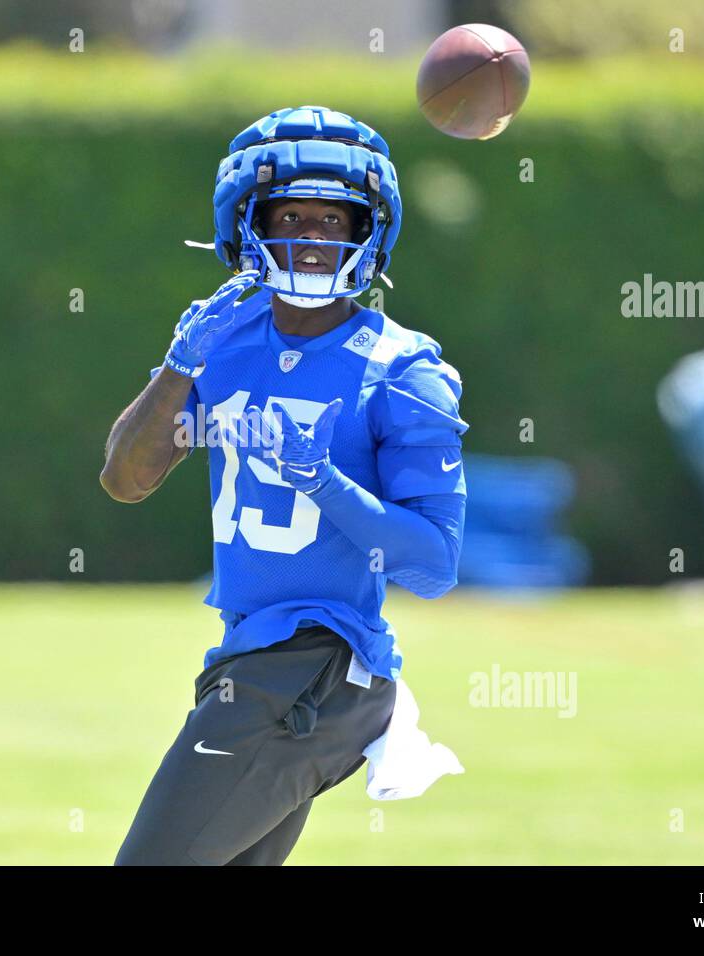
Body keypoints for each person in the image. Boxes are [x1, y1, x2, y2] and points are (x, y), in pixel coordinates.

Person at [101, 106, 467, 865]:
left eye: (333, 219)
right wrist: (178, 365)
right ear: (248, 227)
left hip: (315, 666)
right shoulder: (222, 341)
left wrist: (323, 481)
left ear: (368, 232)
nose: (309, 236)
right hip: (248, 663)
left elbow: (433, 566)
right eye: (289, 215)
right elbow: (125, 480)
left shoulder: (403, 368)